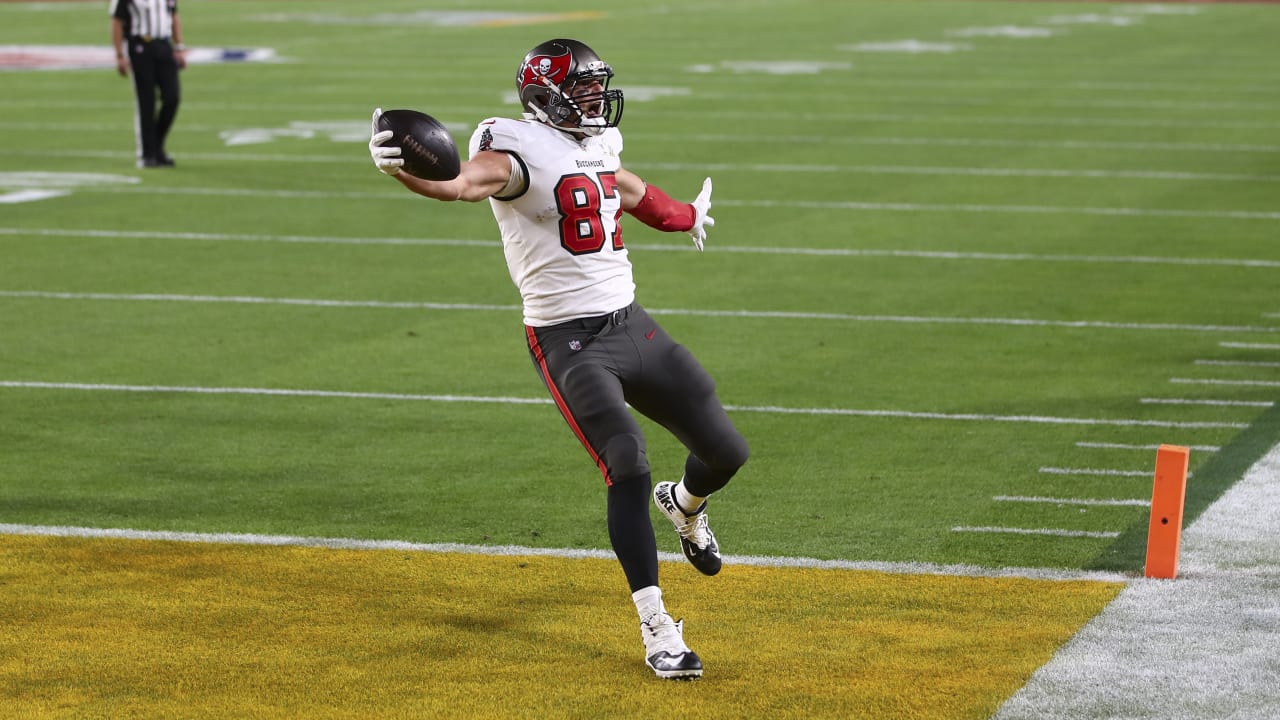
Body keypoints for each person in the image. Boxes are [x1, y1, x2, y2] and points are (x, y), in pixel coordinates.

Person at [368, 38, 749, 680]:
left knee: (728, 452)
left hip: (630, 322)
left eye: (600, 88)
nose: (598, 100)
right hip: (567, 339)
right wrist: (405, 170)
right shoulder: (512, 149)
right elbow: (462, 184)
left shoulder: (593, 142)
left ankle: (683, 505)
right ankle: (657, 626)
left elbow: (618, 185)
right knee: (625, 461)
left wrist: (681, 215)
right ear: (545, 96)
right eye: (585, 89)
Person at [110, 0, 186, 168]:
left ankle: (156, 145)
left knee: (172, 97)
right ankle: (148, 154)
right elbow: (117, 20)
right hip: (141, 46)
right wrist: (119, 55)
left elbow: (173, 14)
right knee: (146, 102)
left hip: (164, 45)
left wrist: (179, 46)